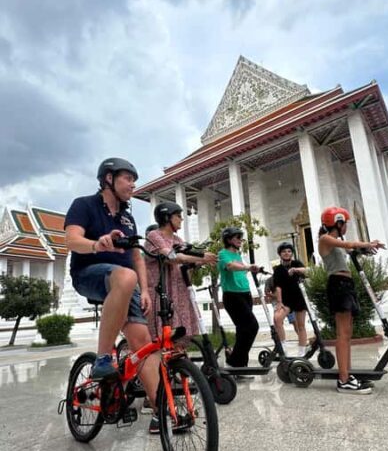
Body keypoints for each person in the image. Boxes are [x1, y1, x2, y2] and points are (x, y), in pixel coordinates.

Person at [64, 158, 160, 413]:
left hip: (124, 283)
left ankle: (162, 408)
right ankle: (103, 357)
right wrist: (97, 244)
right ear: (109, 179)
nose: (133, 184)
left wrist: (146, 290)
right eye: (128, 178)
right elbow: (71, 240)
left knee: (144, 343)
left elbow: (137, 256)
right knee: (126, 276)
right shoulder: (84, 205)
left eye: (134, 180)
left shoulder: (128, 219)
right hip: (89, 274)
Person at [144, 201, 217, 432]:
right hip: (161, 296)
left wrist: (199, 258)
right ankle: (157, 408)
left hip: (180, 294)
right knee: (160, 350)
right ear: (167, 217)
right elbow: (172, 257)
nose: (181, 220)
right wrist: (200, 257)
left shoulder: (178, 239)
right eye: (178, 216)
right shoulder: (155, 236)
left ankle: (178, 399)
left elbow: (187, 255)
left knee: (178, 348)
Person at [318, 206, 385, 395]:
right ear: (337, 223)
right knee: (342, 334)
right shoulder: (325, 239)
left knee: (347, 334)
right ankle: (343, 380)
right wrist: (367, 243)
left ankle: (347, 375)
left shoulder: (337, 241)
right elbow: (349, 246)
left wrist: (367, 248)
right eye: (345, 223)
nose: (346, 226)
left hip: (346, 284)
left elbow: (351, 250)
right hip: (338, 284)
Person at [218, 227, 261, 368]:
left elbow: (241, 268)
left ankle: (240, 365)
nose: (240, 240)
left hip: (245, 294)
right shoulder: (222, 254)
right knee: (252, 326)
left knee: (243, 330)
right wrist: (247, 267)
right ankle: (233, 361)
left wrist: (251, 268)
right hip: (232, 295)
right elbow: (230, 266)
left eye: (240, 238)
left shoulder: (239, 256)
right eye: (237, 237)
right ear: (229, 239)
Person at [272, 242, 309, 357]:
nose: (287, 253)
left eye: (289, 251)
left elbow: (308, 271)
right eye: (284, 251)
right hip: (286, 300)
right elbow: (278, 286)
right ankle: (283, 347)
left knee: (301, 325)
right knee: (277, 319)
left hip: (299, 298)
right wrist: (279, 302)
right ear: (280, 254)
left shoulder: (296, 263)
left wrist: (296, 269)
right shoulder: (278, 269)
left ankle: (302, 352)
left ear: (292, 253)